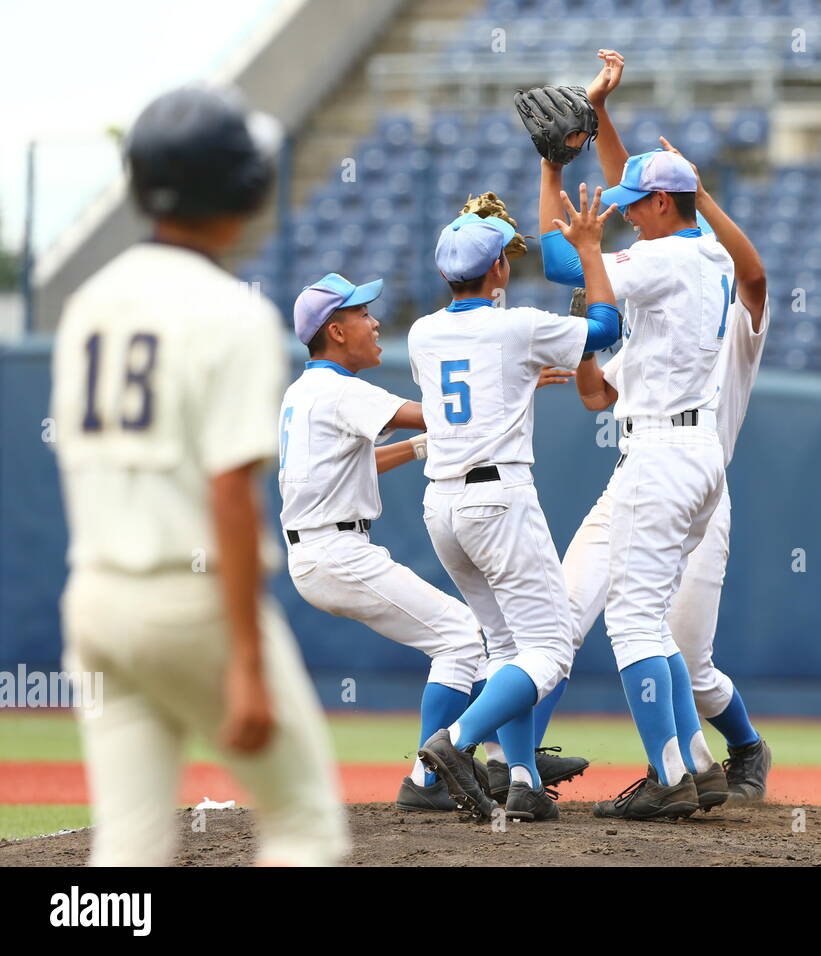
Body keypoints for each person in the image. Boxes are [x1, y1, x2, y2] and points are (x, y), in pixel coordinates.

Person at [50, 85, 347, 865]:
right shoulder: (231, 312)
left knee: (129, 851)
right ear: (240, 185)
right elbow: (227, 492)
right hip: (192, 605)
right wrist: (246, 661)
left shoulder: (89, 302)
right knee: (305, 824)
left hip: (95, 601)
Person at [537, 56, 736, 820]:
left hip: (661, 449)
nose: (621, 211)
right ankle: (694, 763)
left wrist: (552, 173)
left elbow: (559, 259)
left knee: (631, 620)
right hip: (692, 451)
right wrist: (594, 139)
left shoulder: (662, 258)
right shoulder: (707, 251)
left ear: (661, 204)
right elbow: (598, 248)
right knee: (645, 617)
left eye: (631, 203)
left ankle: (667, 777)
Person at [413, 189, 622, 823]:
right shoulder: (517, 325)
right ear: (499, 268)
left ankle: (524, 778)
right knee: (551, 649)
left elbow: (481, 379)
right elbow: (609, 329)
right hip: (497, 500)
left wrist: (523, 372)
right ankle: (454, 743)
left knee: (506, 646)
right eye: (505, 255)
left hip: (441, 506)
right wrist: (590, 256)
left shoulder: (423, 332)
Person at [278, 272, 486, 812]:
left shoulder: (304, 391)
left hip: (321, 550)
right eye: (362, 314)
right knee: (462, 637)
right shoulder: (341, 390)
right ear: (336, 331)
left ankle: (475, 761)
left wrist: (417, 448)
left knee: (460, 637)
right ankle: (428, 778)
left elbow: (352, 466)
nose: (374, 322)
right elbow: (448, 413)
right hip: (335, 552)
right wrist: (506, 380)